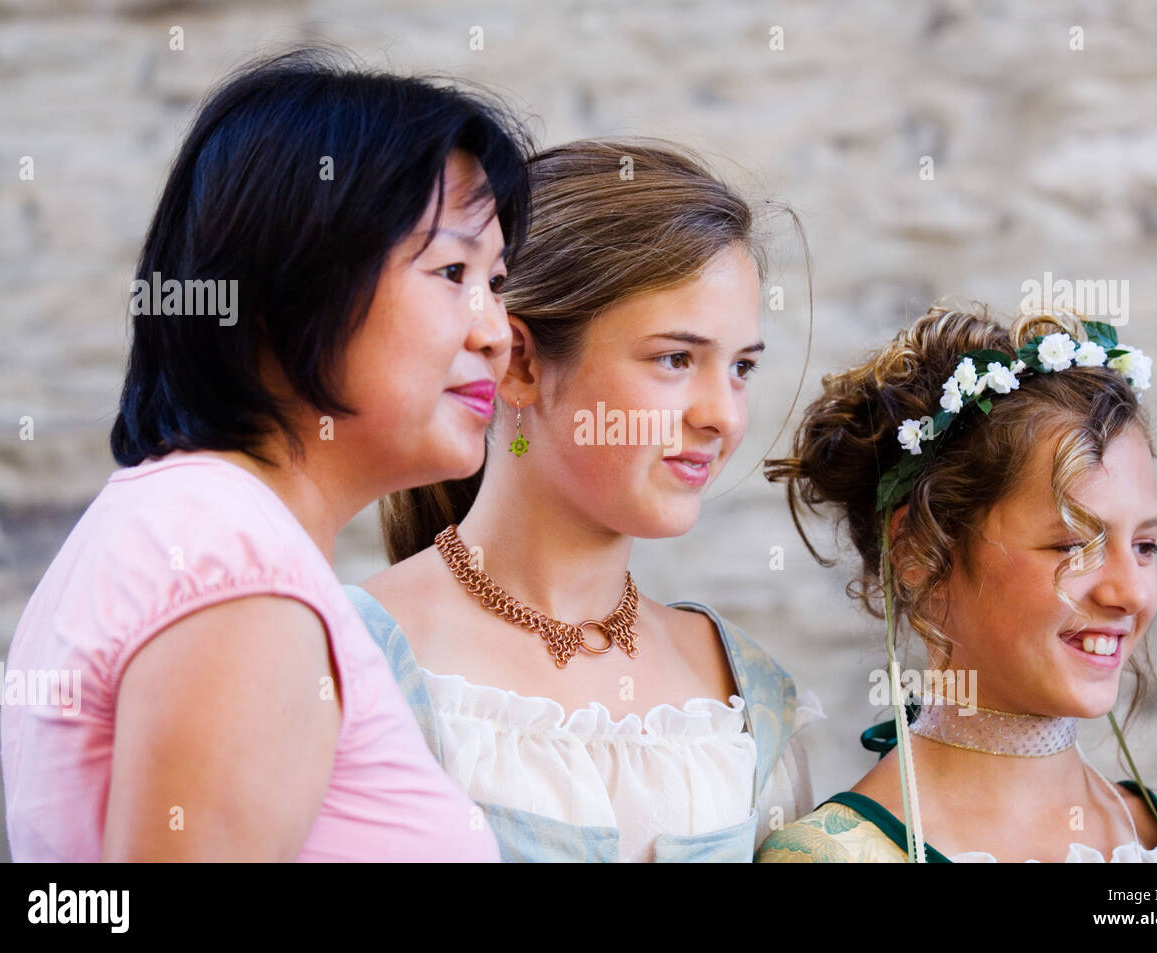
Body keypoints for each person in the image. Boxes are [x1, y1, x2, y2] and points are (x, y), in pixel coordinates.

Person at [0, 48, 533, 861]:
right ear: (292, 285)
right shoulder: (237, 574)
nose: (495, 331)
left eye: (495, 280)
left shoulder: (186, 526)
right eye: (451, 269)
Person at [347, 138, 823, 862]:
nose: (722, 415)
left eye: (741, 368)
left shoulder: (744, 695)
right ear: (521, 361)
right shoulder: (352, 658)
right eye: (676, 359)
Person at [757, 305, 1157, 863]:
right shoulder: (831, 858)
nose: (1130, 594)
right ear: (918, 554)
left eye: (1145, 547)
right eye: (1072, 547)